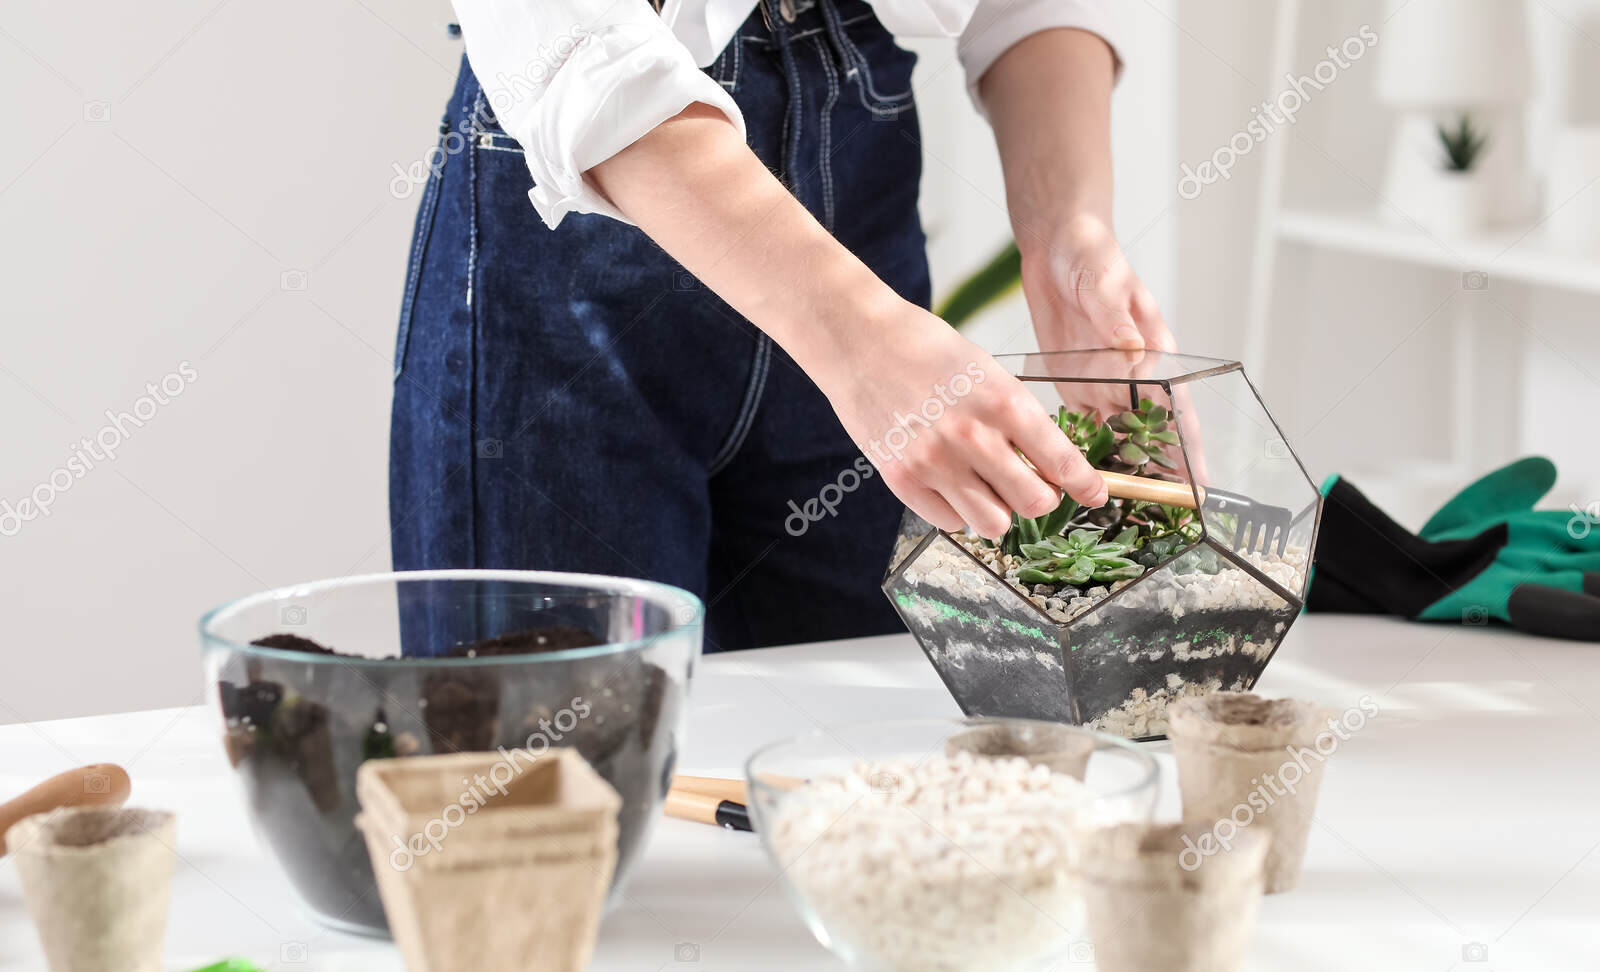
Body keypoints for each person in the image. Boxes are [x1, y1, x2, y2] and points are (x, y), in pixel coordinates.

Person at [391, 0, 1173, 652]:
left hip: (861, 169)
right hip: (592, 204)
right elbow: (572, 47)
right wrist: (860, 337)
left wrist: (1066, 225)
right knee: (547, 789)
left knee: (857, 773)